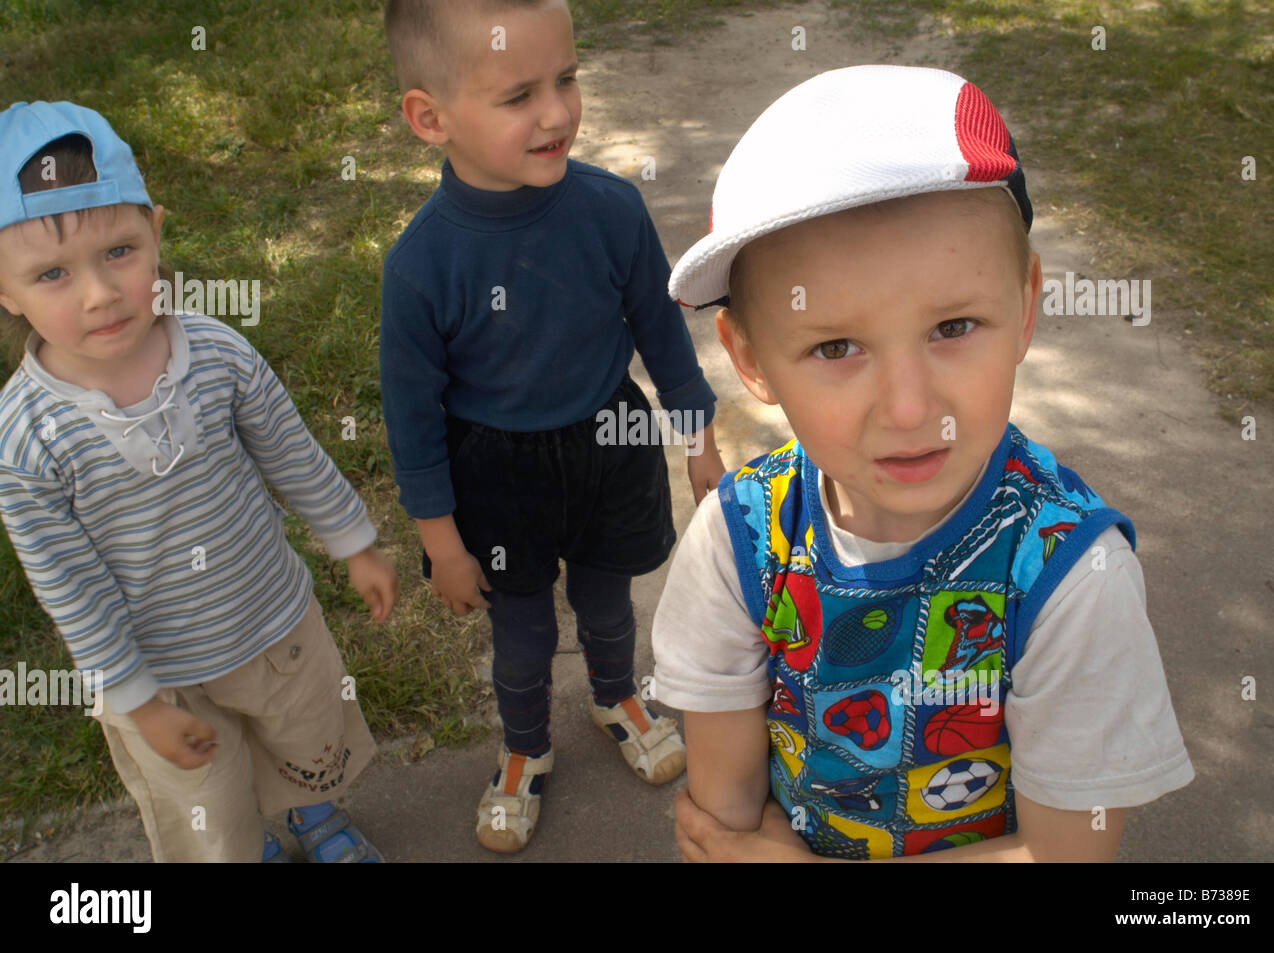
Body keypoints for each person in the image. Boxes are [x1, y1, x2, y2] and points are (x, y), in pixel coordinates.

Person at [652, 65, 1194, 861]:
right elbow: (723, 822)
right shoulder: (736, 543)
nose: (909, 408)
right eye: (835, 345)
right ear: (751, 358)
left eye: (953, 325)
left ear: (1025, 308)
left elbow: (1068, 856)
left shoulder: (1071, 577)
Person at [0, 101, 398, 862]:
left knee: (305, 735)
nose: (98, 293)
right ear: (4, 288)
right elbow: (69, 585)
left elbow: (291, 451)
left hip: (273, 621)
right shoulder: (26, 440)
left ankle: (316, 815)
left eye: (119, 251)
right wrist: (137, 701)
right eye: (52, 272)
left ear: (155, 229)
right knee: (208, 802)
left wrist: (354, 543)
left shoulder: (214, 351)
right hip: (162, 671)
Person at [380, 0, 726, 853]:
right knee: (524, 630)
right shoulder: (421, 265)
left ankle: (617, 692)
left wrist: (699, 440)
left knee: (609, 599)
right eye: (518, 95)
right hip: (497, 474)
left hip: (611, 442)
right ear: (431, 118)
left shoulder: (610, 209)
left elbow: (659, 329)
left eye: (566, 79)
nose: (558, 113)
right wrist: (442, 540)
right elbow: (411, 416)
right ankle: (525, 745)